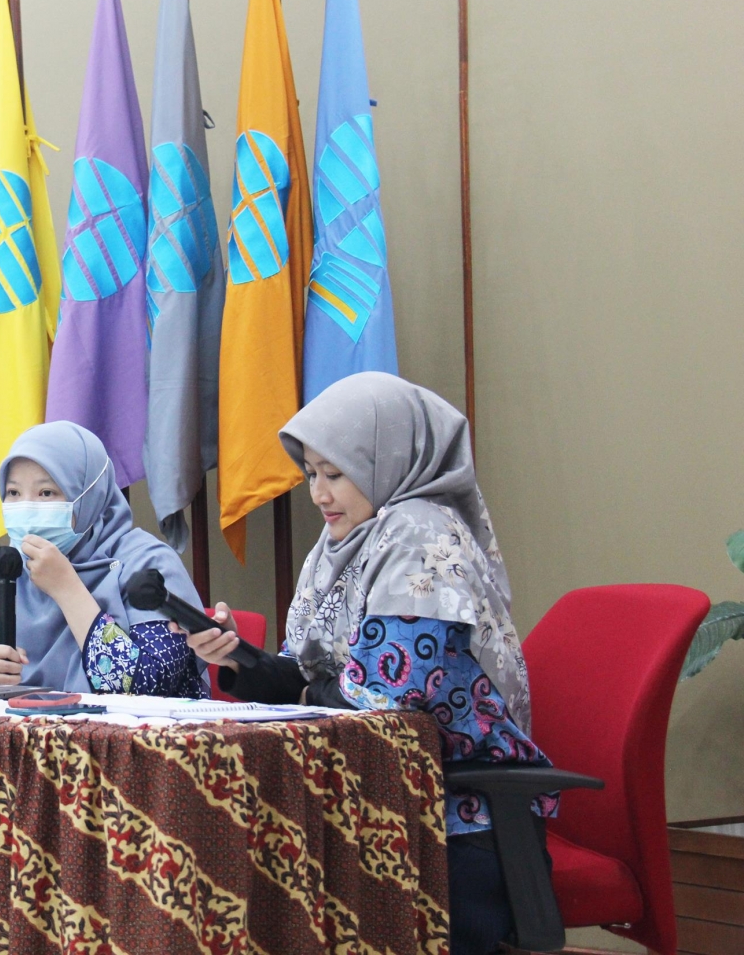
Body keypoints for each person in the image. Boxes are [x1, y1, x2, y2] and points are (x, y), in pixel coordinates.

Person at [184, 372, 551, 955]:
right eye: (311, 474)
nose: (319, 494)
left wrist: (302, 691)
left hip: (456, 822)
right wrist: (238, 657)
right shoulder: (343, 544)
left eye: (335, 474)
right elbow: (306, 676)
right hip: (375, 805)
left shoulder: (420, 536)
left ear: (391, 458)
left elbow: (381, 701)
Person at [0, 421, 207, 696]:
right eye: (14, 492)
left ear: (90, 496)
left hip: (137, 737)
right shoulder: (2, 574)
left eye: (46, 493)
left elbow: (148, 685)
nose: (27, 506)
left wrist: (67, 589)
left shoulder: (146, 564)